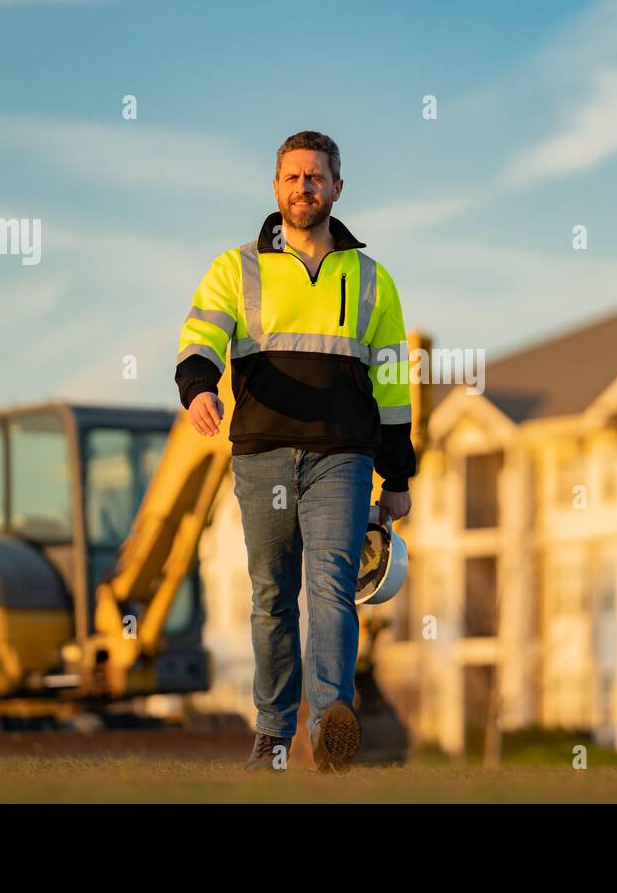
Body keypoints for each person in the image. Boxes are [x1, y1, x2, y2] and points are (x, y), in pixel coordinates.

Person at [174, 131, 416, 773]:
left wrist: (398, 473)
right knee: (271, 596)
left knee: (331, 586)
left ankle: (333, 722)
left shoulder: (371, 279)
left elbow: (392, 381)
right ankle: (274, 738)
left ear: (338, 188)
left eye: (316, 177)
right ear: (275, 188)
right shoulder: (236, 267)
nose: (303, 187)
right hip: (263, 455)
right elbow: (199, 337)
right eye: (292, 177)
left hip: (344, 455)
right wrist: (198, 388)